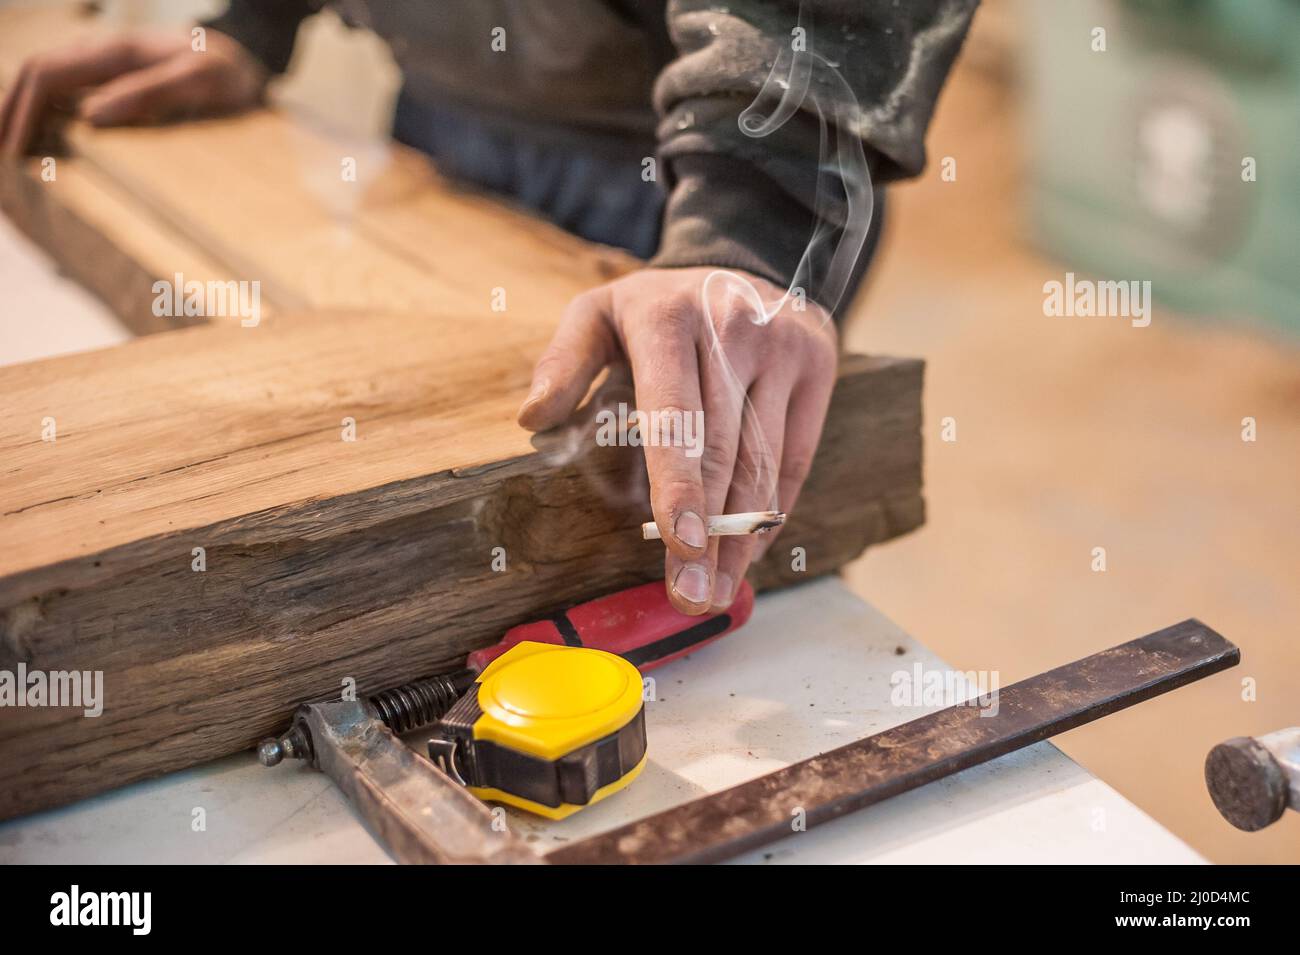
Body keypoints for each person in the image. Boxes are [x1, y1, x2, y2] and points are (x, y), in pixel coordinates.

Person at [0, 1, 978, 615]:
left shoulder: (735, 199)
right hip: (436, 133)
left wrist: (747, 226)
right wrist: (252, 25)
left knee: (685, 553)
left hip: (682, 168)